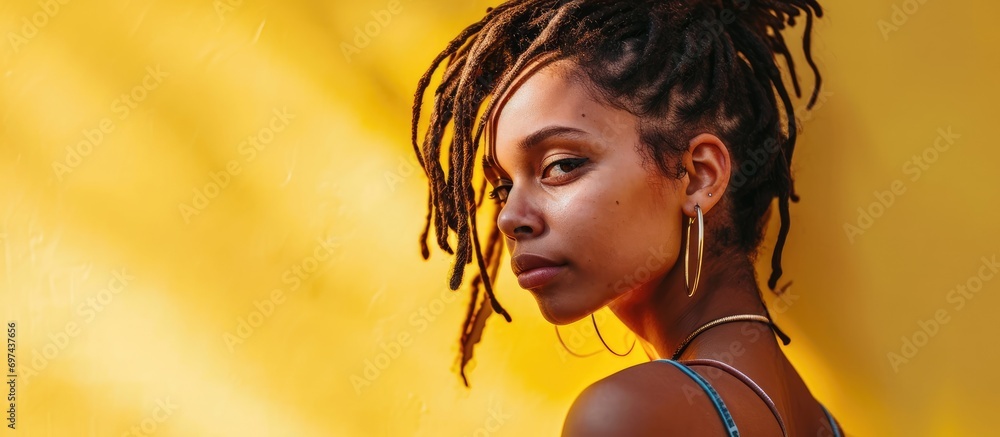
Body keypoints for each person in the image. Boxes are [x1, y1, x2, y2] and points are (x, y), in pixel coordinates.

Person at [410, 0, 845, 435]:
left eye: (561, 165)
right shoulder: (817, 419)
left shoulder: (625, 415)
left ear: (698, 177)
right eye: (503, 188)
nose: (509, 218)